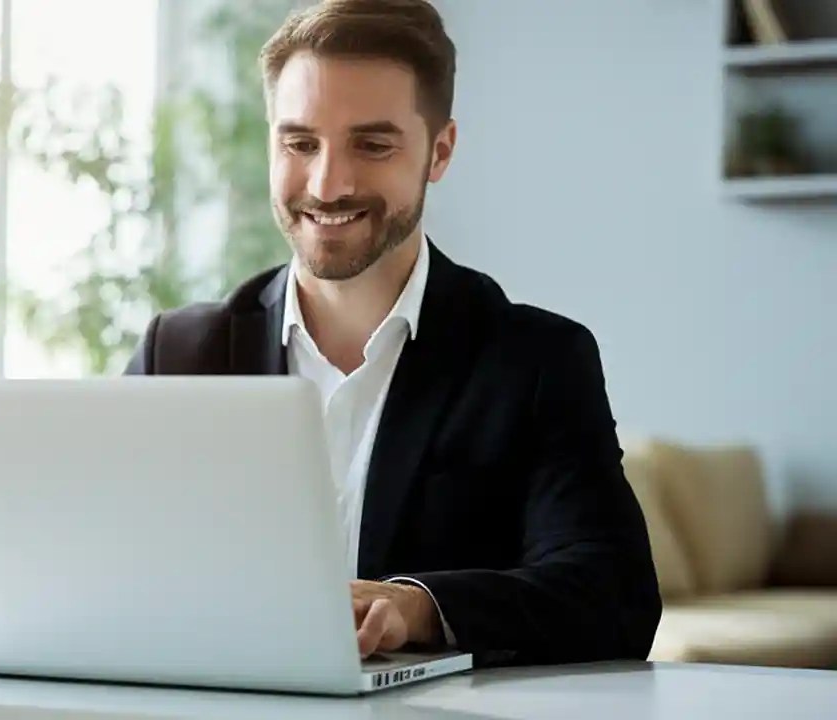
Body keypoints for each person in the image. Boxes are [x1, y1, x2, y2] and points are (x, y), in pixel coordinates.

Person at [125, 0, 661, 667]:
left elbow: (615, 595)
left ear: (439, 152)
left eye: (372, 145)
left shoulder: (536, 361)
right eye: (300, 143)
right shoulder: (177, 355)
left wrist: (419, 608)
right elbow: (89, 564)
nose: (328, 183)